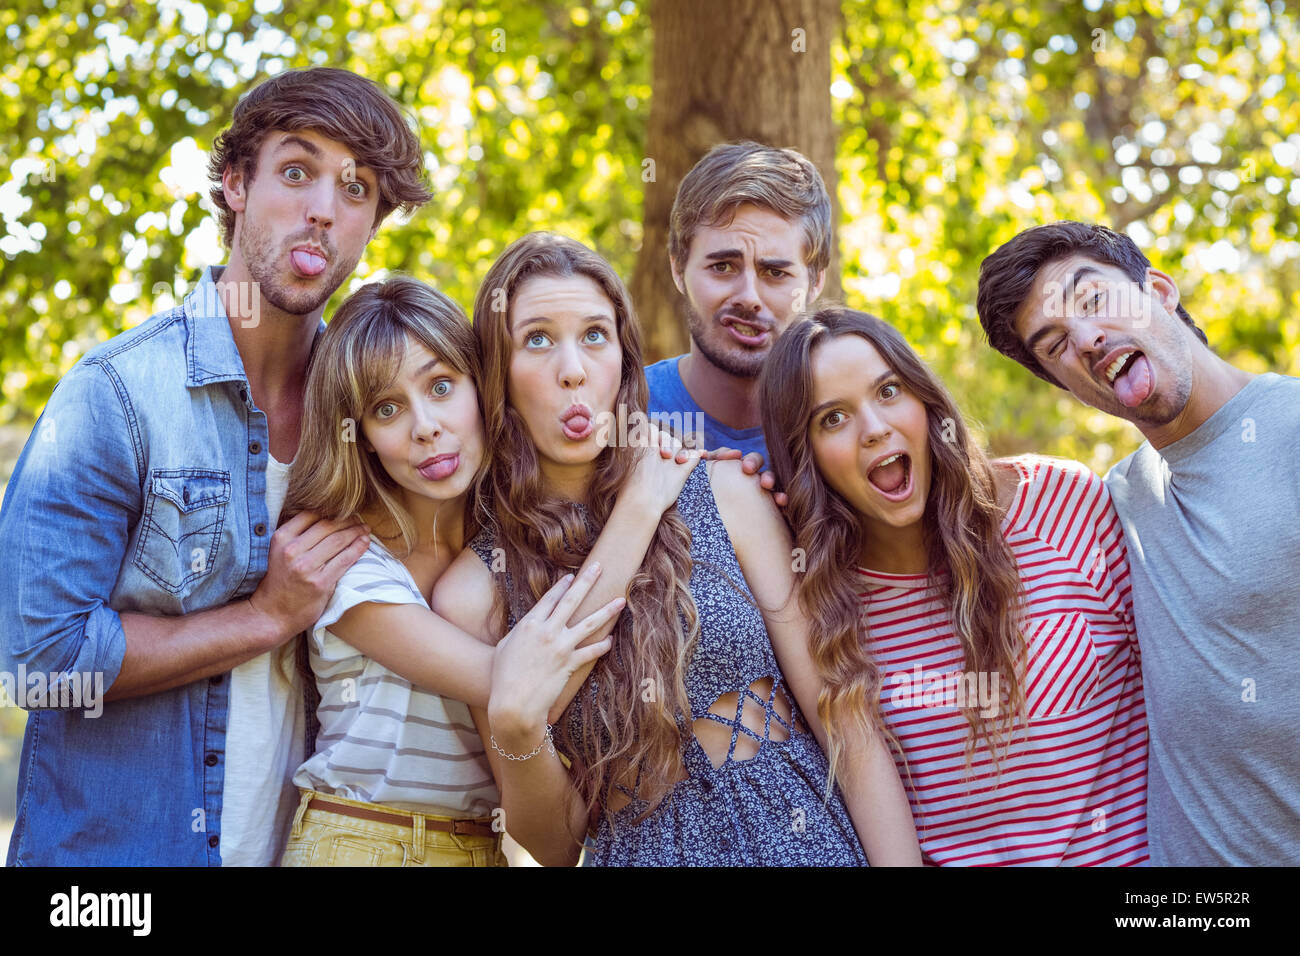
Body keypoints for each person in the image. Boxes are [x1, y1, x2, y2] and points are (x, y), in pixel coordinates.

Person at [0, 68, 429, 865]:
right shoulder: (117, 395)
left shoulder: (378, 417)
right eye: (296, 172)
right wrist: (265, 616)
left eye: (357, 188)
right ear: (235, 183)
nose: (323, 210)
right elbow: (41, 662)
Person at [432, 233, 920, 867]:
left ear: (623, 360)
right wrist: (521, 730)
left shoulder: (721, 490)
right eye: (538, 339)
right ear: (496, 373)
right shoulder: (475, 589)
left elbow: (845, 724)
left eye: (594, 336)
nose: (573, 367)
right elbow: (554, 845)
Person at [275, 275, 701, 866]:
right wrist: (640, 506)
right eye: (387, 408)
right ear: (362, 436)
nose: (425, 426)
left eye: (442, 386)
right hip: (362, 842)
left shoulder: (505, 548)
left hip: (481, 847)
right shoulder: (350, 565)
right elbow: (524, 690)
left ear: (484, 388)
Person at [760, 307, 1150, 866]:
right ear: (806, 458)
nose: (874, 427)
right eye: (832, 419)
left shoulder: (1064, 505)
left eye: (889, 390)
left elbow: (1183, 699)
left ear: (925, 399)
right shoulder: (819, 604)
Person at [976, 220, 1300, 865]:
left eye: (1094, 299)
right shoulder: (1115, 501)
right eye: (1054, 344)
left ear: (1158, 290)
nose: (1089, 338)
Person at [645, 141, 830, 459]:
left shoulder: (845, 428)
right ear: (678, 268)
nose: (748, 297)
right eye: (722, 267)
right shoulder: (621, 414)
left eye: (774, 272)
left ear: (815, 282)